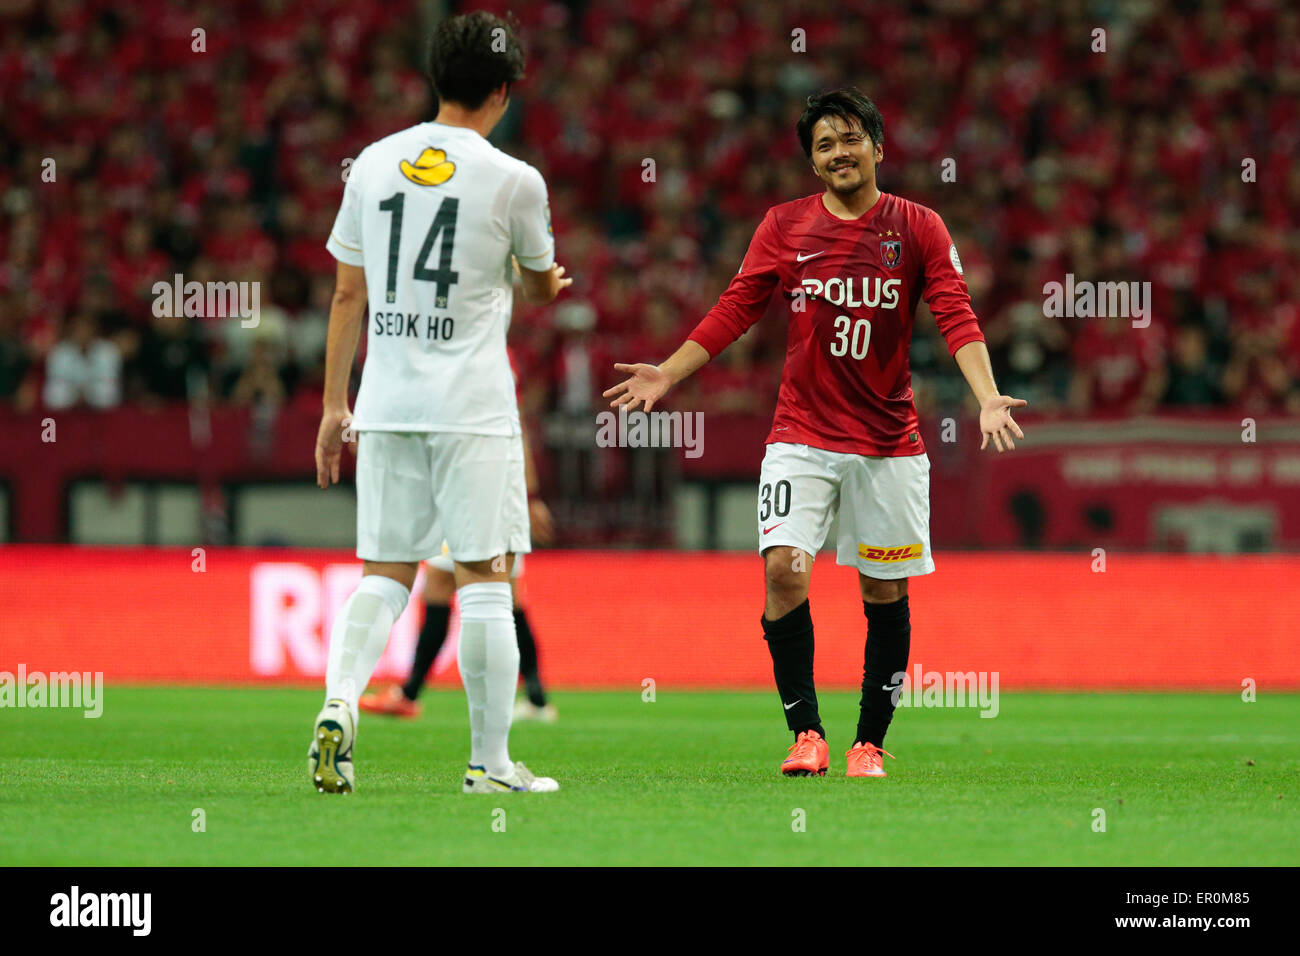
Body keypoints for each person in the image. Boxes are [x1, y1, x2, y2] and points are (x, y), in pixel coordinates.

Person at [605, 88, 1025, 779]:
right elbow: (735, 307)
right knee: (782, 571)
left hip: (888, 443)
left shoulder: (919, 227)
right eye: (824, 145)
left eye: (850, 138)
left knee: (883, 593)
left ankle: (868, 742)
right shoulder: (783, 227)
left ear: (878, 147)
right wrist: (669, 375)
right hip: (802, 435)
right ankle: (807, 733)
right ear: (812, 163)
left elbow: (956, 313)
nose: (839, 152)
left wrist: (985, 398)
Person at [311, 11, 571, 795]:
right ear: (502, 92)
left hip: (385, 404)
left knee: (385, 573)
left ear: (434, 78)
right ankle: (490, 766)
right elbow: (534, 282)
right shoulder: (516, 179)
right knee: (488, 577)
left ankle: (338, 704)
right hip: (472, 410)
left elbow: (346, 291)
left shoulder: (372, 166)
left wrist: (333, 406)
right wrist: (544, 284)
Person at [361, 399, 557, 722]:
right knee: (498, 597)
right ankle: (534, 697)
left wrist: (531, 495)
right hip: (481, 496)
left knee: (485, 595)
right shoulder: (485, 365)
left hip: (478, 496)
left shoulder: (478, 366)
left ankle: (412, 694)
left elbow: (516, 429)